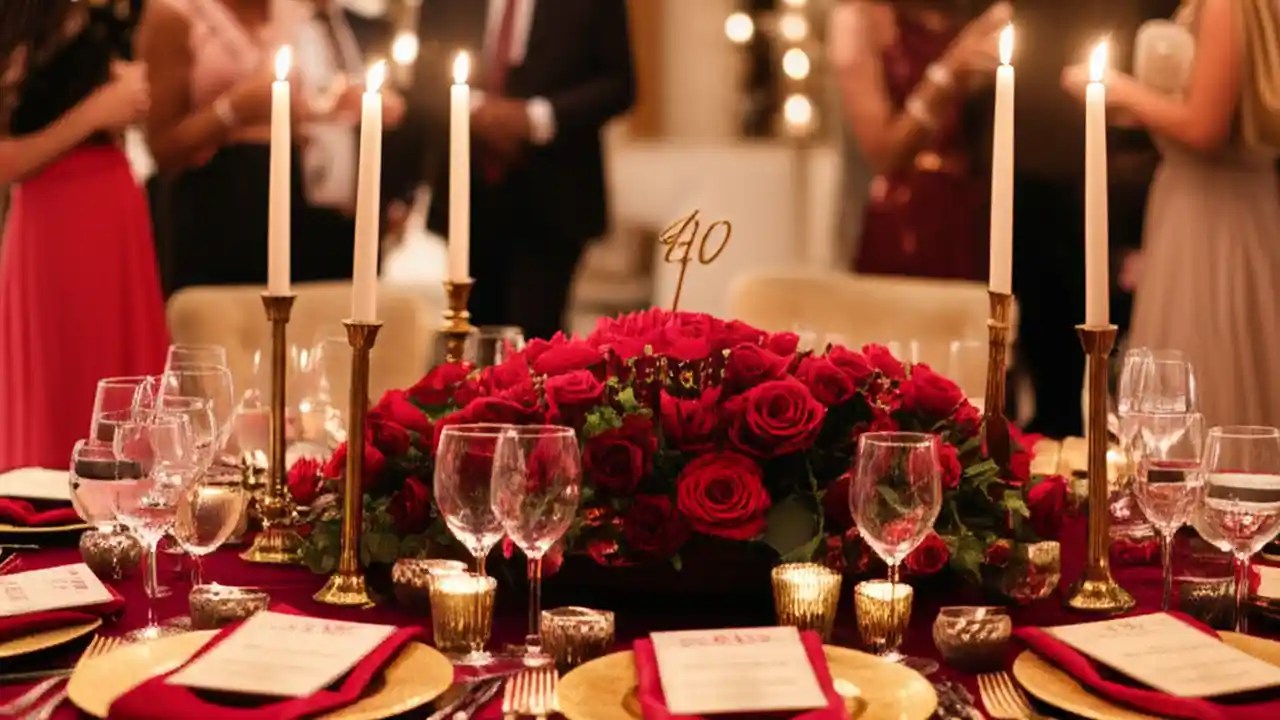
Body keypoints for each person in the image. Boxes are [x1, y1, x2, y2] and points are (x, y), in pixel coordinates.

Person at [1063, 0, 1280, 427]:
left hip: (1210, 214)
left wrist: (1115, 87)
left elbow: (1205, 127)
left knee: (1206, 357)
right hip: (1233, 202)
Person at [0, 0, 168, 471]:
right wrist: (95, 111)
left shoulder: (115, 14)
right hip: (52, 217)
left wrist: (127, 100)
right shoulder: (20, 22)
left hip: (115, 206)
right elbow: (6, 161)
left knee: (124, 379)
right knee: (59, 381)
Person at [405, 0, 636, 340]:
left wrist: (534, 118)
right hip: (470, 192)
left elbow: (620, 84)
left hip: (556, 194)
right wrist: (477, 110)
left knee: (538, 337)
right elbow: (424, 74)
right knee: (470, 333)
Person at [830, 1, 1010, 281]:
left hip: (981, 217)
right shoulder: (861, 20)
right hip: (901, 225)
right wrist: (949, 73)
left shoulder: (977, 15)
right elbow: (883, 153)